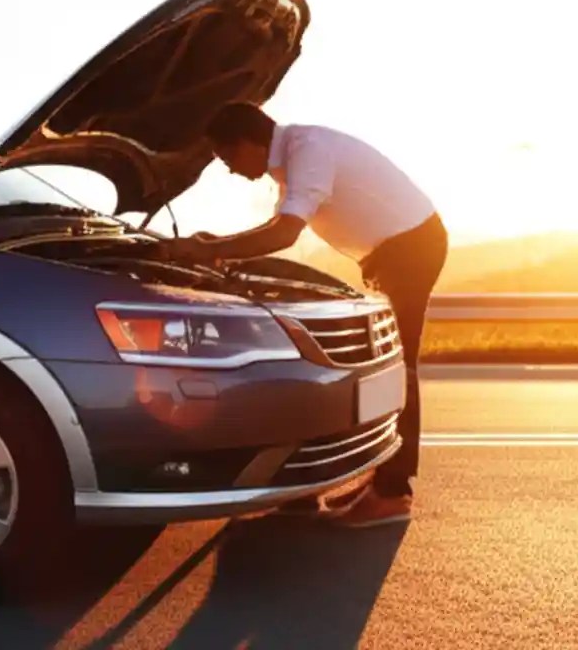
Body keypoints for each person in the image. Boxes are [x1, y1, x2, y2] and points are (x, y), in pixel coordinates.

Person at [165, 102, 447, 528]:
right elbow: (275, 226)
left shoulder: (307, 149)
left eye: (227, 158)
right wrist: (218, 243)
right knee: (373, 367)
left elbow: (282, 233)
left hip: (411, 249)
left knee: (396, 369)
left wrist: (210, 249)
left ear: (247, 142)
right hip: (399, 250)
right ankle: (374, 478)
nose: (229, 169)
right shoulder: (294, 160)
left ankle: (392, 491)